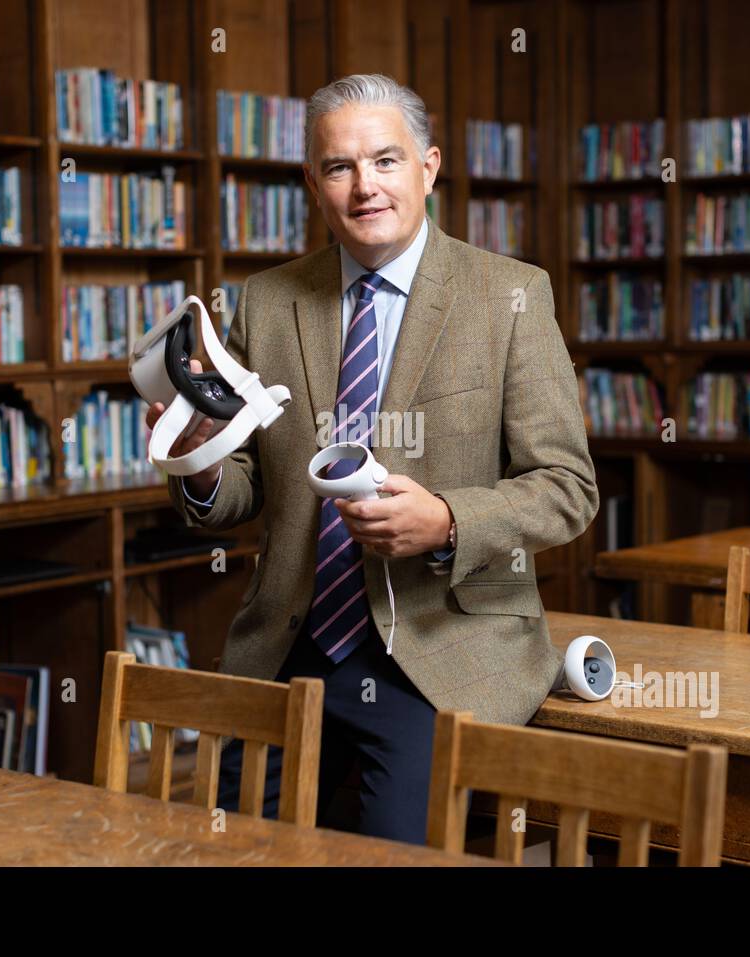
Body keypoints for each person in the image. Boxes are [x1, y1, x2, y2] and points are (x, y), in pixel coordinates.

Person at [146, 73, 597, 845]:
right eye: (339, 167)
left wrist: (450, 518)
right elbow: (247, 491)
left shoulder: (511, 295)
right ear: (312, 183)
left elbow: (568, 489)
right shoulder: (265, 301)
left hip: (440, 651)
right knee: (227, 851)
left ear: (429, 167)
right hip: (294, 646)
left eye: (385, 161)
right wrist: (200, 460)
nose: (366, 188)